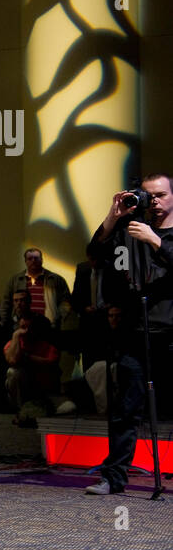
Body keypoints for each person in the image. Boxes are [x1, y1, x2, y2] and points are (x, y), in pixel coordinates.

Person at [81, 174, 173, 494]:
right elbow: (95, 252)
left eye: (161, 195)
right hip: (138, 332)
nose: (154, 201)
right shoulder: (130, 230)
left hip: (171, 333)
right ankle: (114, 477)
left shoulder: (155, 235)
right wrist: (113, 216)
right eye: (148, 196)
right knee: (126, 409)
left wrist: (155, 240)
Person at [3, 247, 71, 326]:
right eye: (30, 258)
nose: (33, 261)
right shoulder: (15, 280)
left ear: (42, 260)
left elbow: (66, 302)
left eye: (36, 258)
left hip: (48, 325)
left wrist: (59, 318)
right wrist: (5, 323)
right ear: (25, 261)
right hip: (21, 325)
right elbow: (6, 303)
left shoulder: (56, 279)